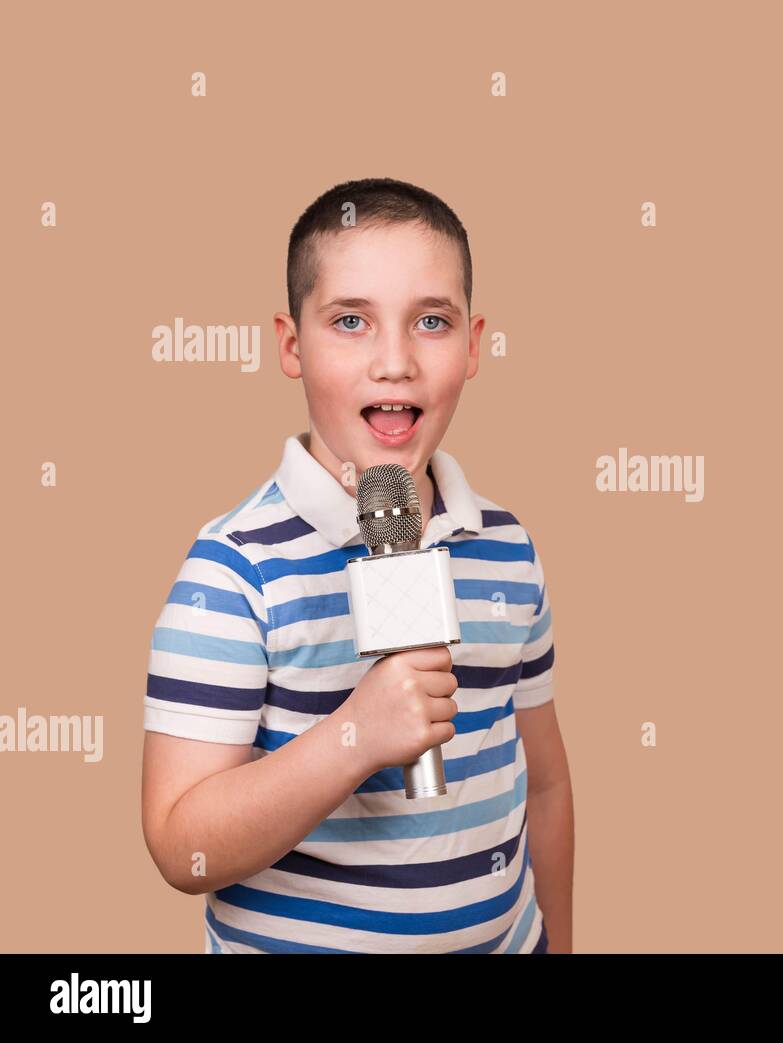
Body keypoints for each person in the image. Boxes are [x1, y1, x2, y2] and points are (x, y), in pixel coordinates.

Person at [140, 178, 573, 953]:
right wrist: (355, 736)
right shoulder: (234, 573)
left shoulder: (509, 547)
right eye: (350, 322)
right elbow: (180, 842)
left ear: (475, 345)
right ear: (291, 344)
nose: (395, 361)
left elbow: (543, 780)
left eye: (430, 322)